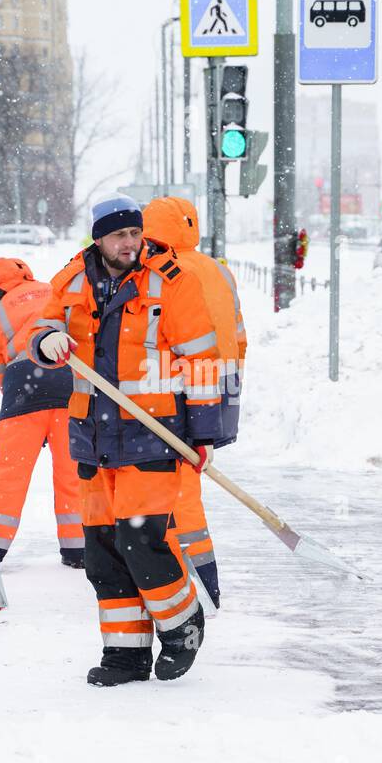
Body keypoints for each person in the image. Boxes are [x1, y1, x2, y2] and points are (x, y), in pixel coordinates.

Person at [28, 193, 222, 686]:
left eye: (136, 234)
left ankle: (182, 626)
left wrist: (205, 433)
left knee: (141, 541)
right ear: (99, 238)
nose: (131, 243)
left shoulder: (169, 283)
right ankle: (125, 655)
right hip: (93, 438)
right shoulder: (71, 281)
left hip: (154, 435)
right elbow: (43, 326)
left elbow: (201, 357)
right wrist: (45, 341)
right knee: (104, 551)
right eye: (120, 235)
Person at [142, 195, 247, 608]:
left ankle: (196, 579)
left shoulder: (163, 274)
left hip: (178, 390)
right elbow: (238, 335)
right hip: (220, 389)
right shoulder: (220, 272)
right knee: (185, 481)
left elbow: (163, 343)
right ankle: (191, 573)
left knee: (177, 489)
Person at [0, 256, 83, 567]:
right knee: (72, 468)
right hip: (69, 378)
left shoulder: (0, 314)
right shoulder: (51, 291)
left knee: (8, 471)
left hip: (23, 386)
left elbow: (0, 367)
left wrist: (20, 406)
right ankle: (78, 547)